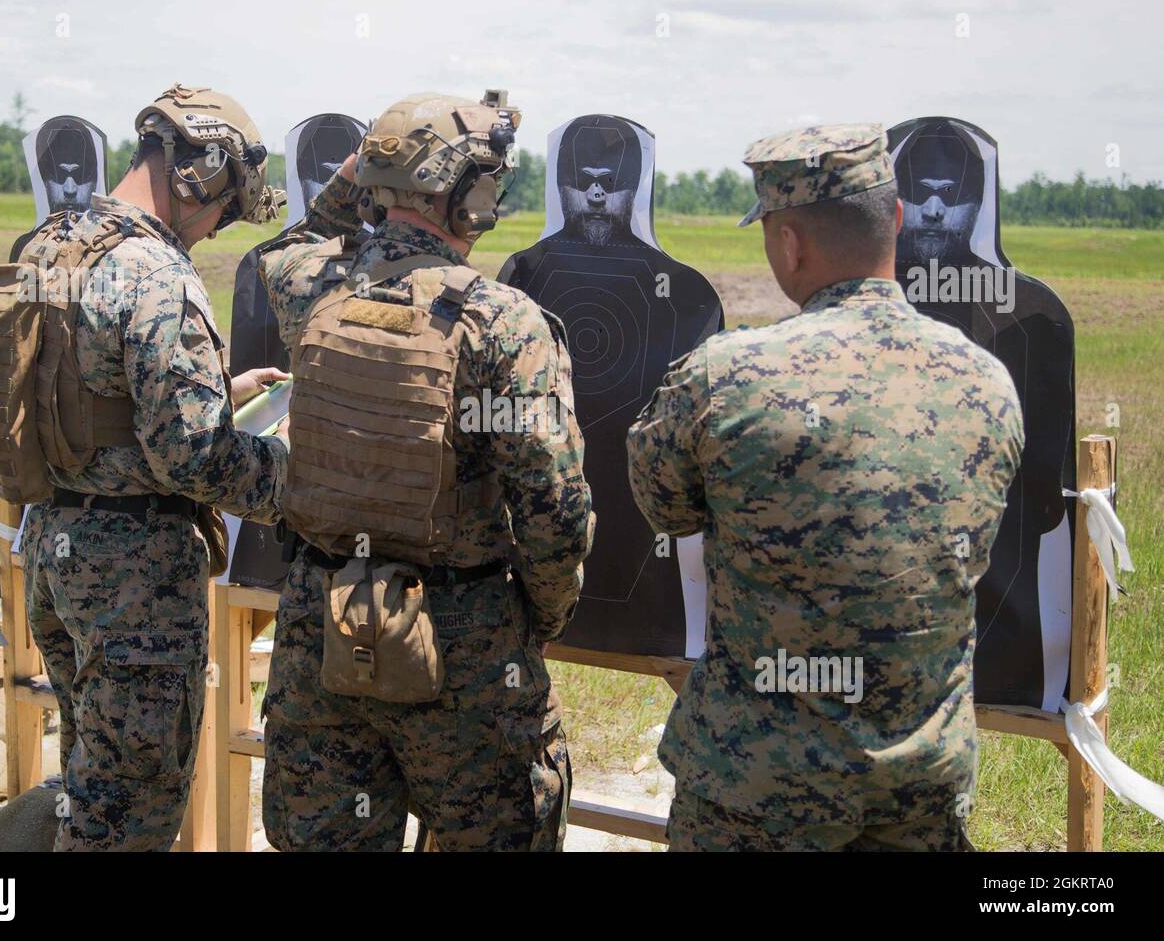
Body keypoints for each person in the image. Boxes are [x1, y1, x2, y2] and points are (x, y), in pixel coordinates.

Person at [627, 124, 1024, 851]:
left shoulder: (726, 376)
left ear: (788, 244)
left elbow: (665, 507)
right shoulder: (988, 383)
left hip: (752, 797)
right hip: (917, 795)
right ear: (897, 221)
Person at [257, 90, 594, 851]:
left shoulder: (309, 286)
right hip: (464, 635)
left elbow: (294, 239)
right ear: (465, 195)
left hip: (323, 622)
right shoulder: (505, 320)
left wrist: (374, 159)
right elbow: (554, 510)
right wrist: (534, 619)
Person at [17, 84, 288, 850]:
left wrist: (217, 392)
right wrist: (296, 478)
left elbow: (83, 395)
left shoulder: (55, 243)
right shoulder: (157, 274)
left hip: (57, 557)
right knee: (130, 822)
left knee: (89, 791)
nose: (217, 227)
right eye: (223, 206)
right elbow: (195, 457)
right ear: (196, 171)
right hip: (134, 587)